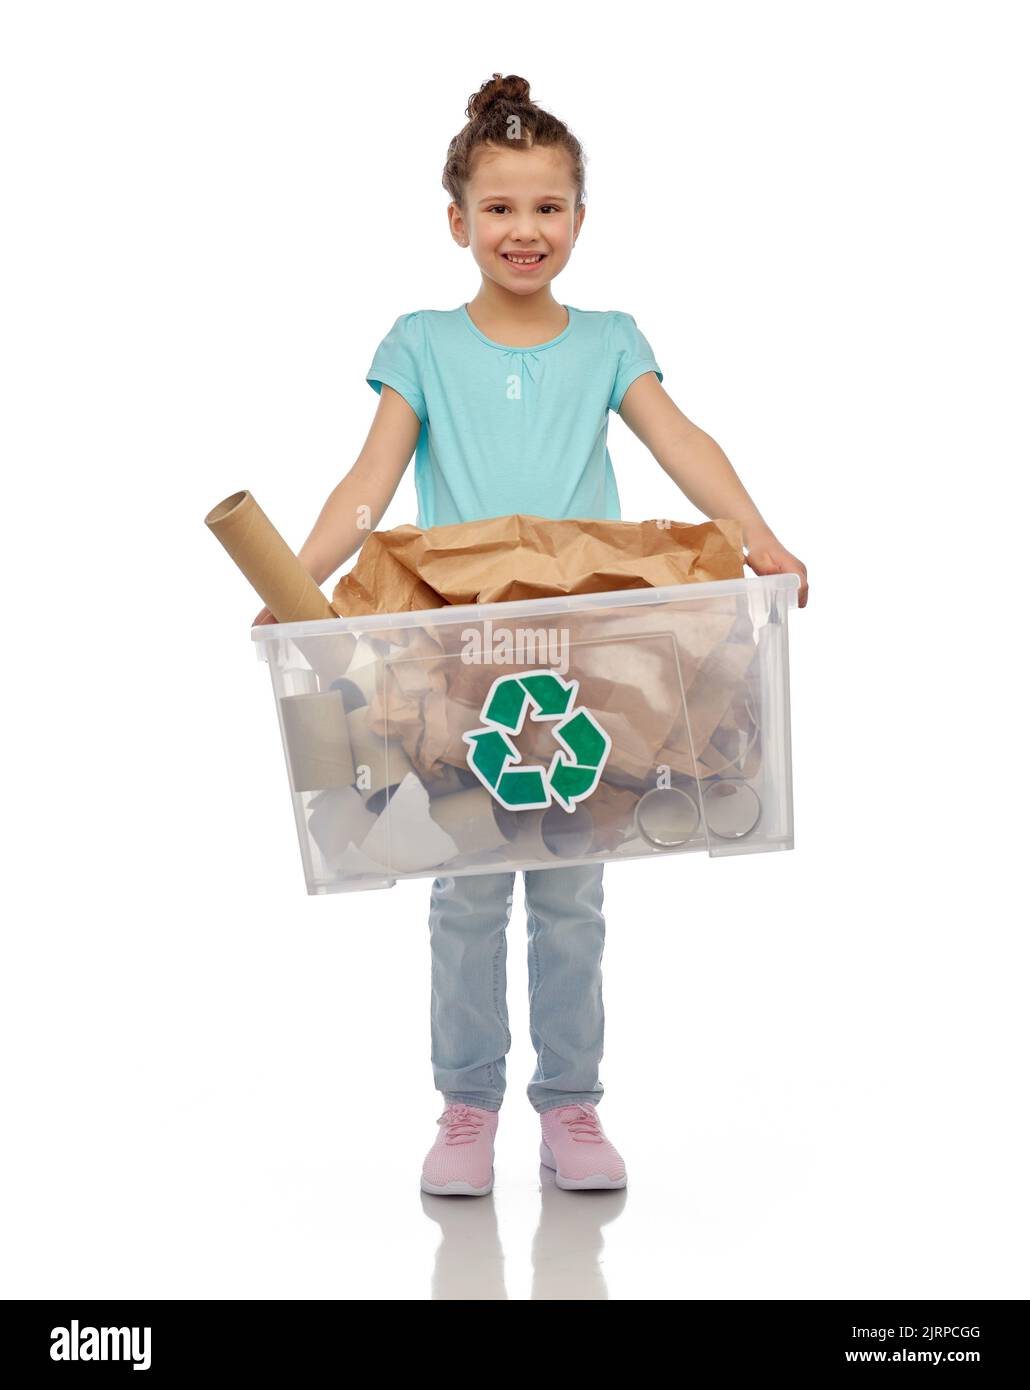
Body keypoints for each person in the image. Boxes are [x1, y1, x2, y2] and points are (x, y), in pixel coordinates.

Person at [253, 72, 809, 1197]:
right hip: (458, 659)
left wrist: (759, 537)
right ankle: (466, 1105)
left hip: (587, 658)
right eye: (499, 207)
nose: (524, 229)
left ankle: (571, 1106)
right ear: (456, 220)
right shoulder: (421, 343)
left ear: (581, 220)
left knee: (570, 888)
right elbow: (369, 483)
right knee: (463, 883)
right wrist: (298, 580)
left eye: (548, 206)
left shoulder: (608, 341)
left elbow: (680, 441)